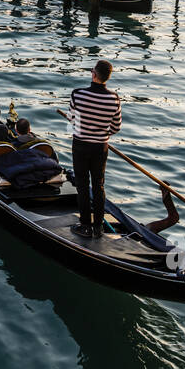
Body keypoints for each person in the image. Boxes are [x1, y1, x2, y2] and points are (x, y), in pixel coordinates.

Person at [68, 59, 122, 240]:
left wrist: (85, 128)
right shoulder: (114, 99)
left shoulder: (78, 94)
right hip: (100, 147)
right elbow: (116, 128)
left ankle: (85, 226)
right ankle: (98, 228)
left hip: (81, 145)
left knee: (83, 186)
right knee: (98, 185)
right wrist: (101, 131)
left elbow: (72, 121)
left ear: (93, 74)